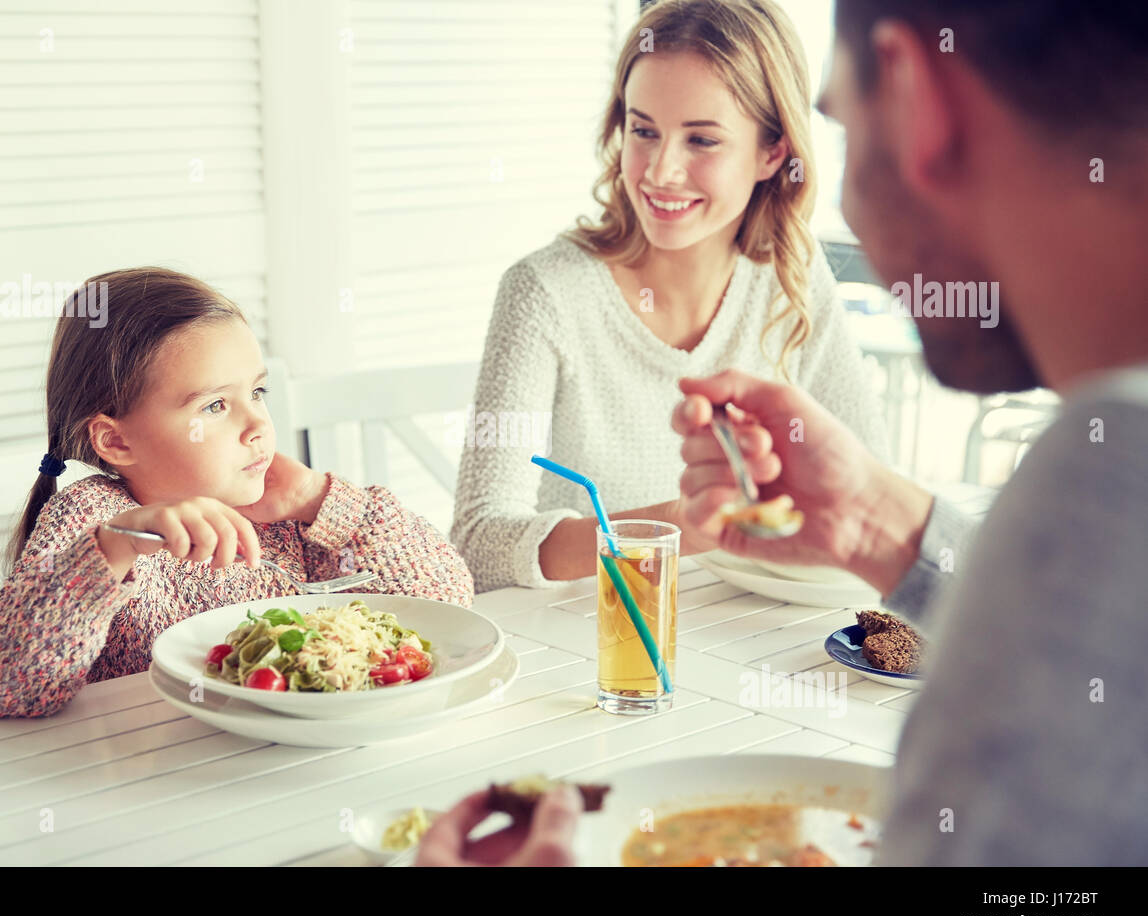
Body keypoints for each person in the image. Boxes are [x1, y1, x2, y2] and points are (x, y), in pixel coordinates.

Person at [417, 0, 1148, 865]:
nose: (660, 168)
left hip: (741, 680)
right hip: (582, 695)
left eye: (835, 117)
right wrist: (873, 523)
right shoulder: (1100, 478)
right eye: (641, 130)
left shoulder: (1096, 479)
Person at [450, 0, 888, 593]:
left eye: (702, 141)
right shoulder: (545, 293)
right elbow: (478, 544)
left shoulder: (794, 277)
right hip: (586, 650)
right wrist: (682, 527)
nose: (660, 171)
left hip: (747, 635)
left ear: (772, 151)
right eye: (644, 130)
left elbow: (871, 488)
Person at [0, 268, 473, 719]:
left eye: (256, 392)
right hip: (154, 784)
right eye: (214, 407)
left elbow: (450, 602)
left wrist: (324, 498)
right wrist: (114, 548)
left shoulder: (280, 511)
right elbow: (3, 686)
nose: (258, 426)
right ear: (115, 440)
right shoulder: (98, 519)